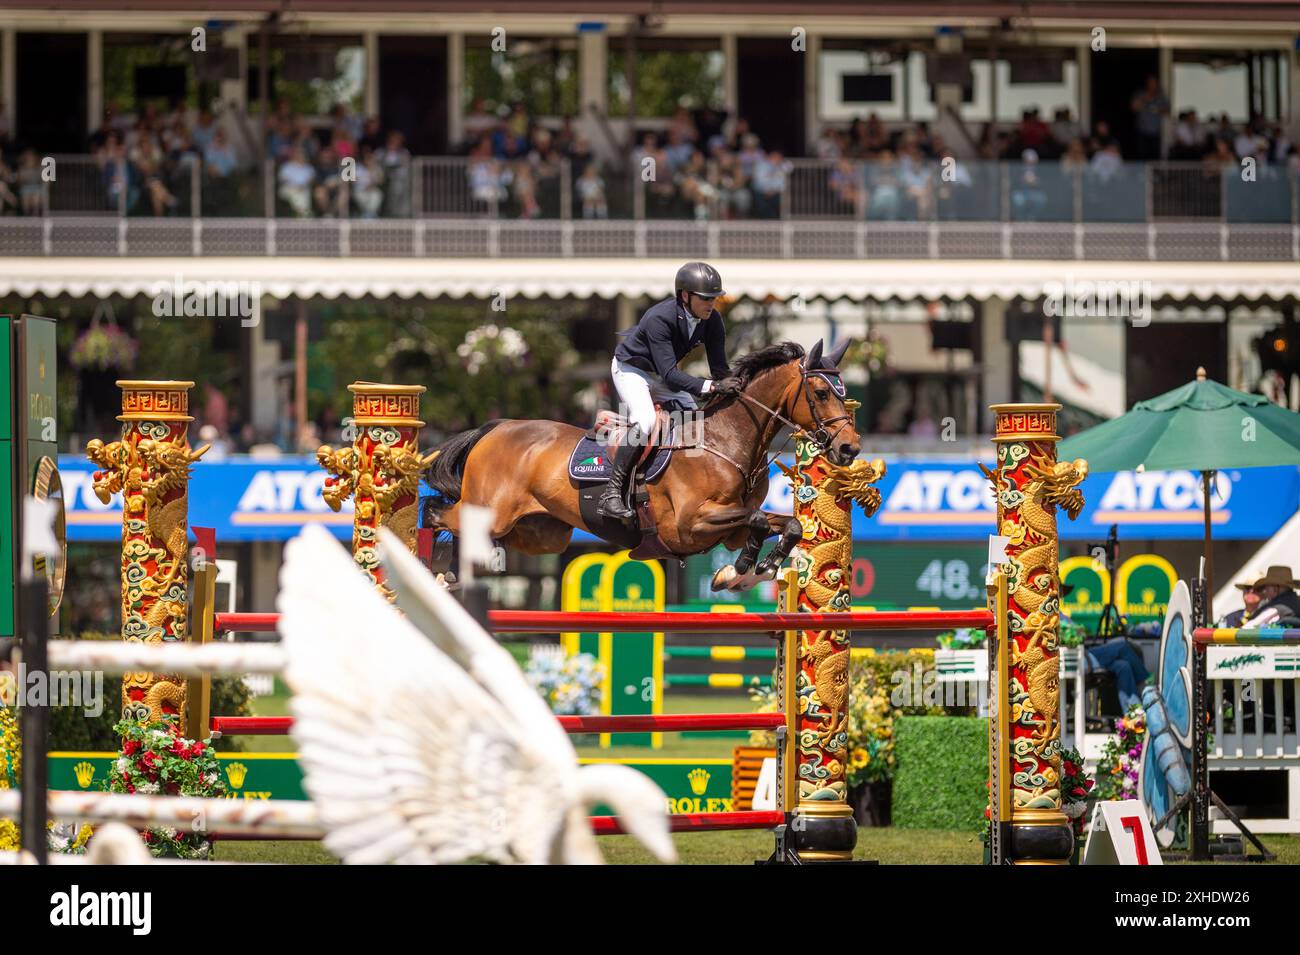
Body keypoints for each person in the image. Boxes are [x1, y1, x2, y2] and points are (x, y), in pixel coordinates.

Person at [601, 262, 739, 520]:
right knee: (645, 421)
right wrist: (711, 387)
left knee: (694, 422)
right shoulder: (659, 318)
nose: (712, 304)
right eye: (706, 298)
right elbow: (671, 375)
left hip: (663, 375)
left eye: (715, 298)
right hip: (632, 371)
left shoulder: (712, 320)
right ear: (685, 296)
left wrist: (736, 387)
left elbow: (720, 370)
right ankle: (612, 493)